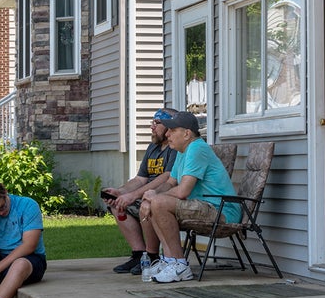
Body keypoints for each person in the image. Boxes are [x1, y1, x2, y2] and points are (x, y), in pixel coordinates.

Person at [138, 111, 238, 283]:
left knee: (159, 202)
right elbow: (170, 183)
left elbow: (182, 191)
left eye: (172, 130)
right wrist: (150, 197)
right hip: (204, 205)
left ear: (186, 133)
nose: (167, 134)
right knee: (154, 203)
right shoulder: (182, 151)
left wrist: (155, 196)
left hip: (221, 210)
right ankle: (169, 260)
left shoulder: (196, 148)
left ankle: (180, 265)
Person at [102, 106, 178, 275]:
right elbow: (140, 179)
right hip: (146, 192)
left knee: (146, 203)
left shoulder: (175, 149)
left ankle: (152, 256)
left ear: (169, 126)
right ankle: (139, 255)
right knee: (116, 203)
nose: (152, 127)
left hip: (163, 195)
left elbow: (167, 177)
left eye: (156, 123)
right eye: (152, 122)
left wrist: (134, 195)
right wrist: (120, 192)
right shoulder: (153, 148)